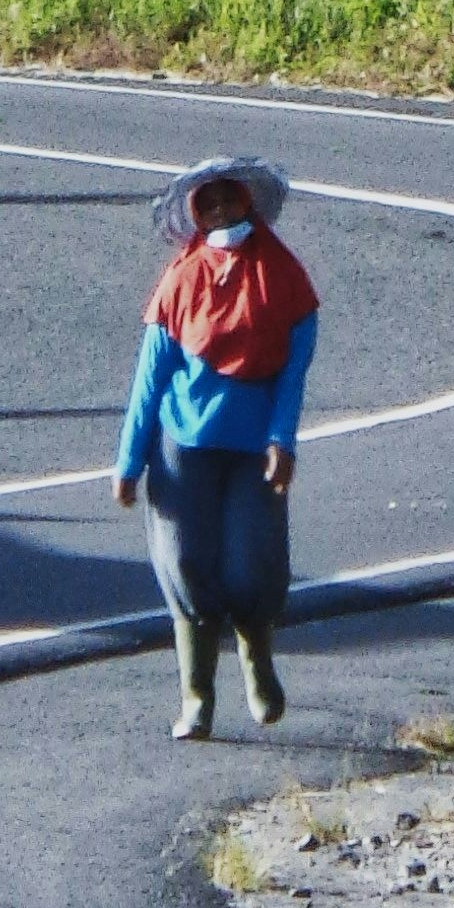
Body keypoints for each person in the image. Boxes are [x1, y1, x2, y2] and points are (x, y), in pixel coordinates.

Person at [115, 159, 316, 738]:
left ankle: (258, 664)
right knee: (184, 562)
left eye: (231, 203)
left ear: (249, 206)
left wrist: (282, 438)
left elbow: (293, 371)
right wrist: (130, 461)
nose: (224, 214)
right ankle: (197, 697)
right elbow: (149, 379)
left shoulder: (285, 278)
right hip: (184, 448)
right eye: (212, 207)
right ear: (196, 217)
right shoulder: (179, 282)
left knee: (254, 563)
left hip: (253, 448)